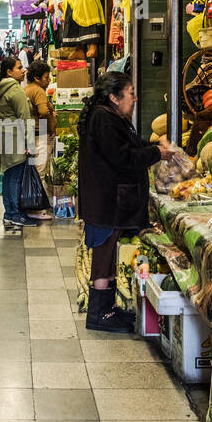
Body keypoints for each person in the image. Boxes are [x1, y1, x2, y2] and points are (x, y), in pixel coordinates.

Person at [77, 70, 175, 332]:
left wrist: (157, 149)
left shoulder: (109, 116)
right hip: (105, 201)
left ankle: (106, 310)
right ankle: (99, 315)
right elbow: (123, 157)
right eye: (131, 93)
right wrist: (156, 152)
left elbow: (129, 145)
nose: (135, 98)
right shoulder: (104, 119)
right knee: (104, 255)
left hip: (108, 201)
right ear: (114, 97)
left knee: (107, 255)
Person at [0, 55, 38, 230]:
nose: (23, 70)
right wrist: (30, 144)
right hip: (16, 138)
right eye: (19, 67)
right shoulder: (16, 90)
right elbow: (26, 119)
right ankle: (15, 215)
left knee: (9, 176)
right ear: (9, 72)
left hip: (5, 136)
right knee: (15, 177)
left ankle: (9, 214)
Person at [23, 59, 57, 221]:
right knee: (40, 172)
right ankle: (38, 208)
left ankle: (34, 205)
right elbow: (43, 111)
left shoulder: (27, 89)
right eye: (46, 77)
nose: (48, 80)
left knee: (35, 170)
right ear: (37, 78)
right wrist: (51, 116)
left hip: (32, 134)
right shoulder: (38, 91)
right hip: (41, 134)